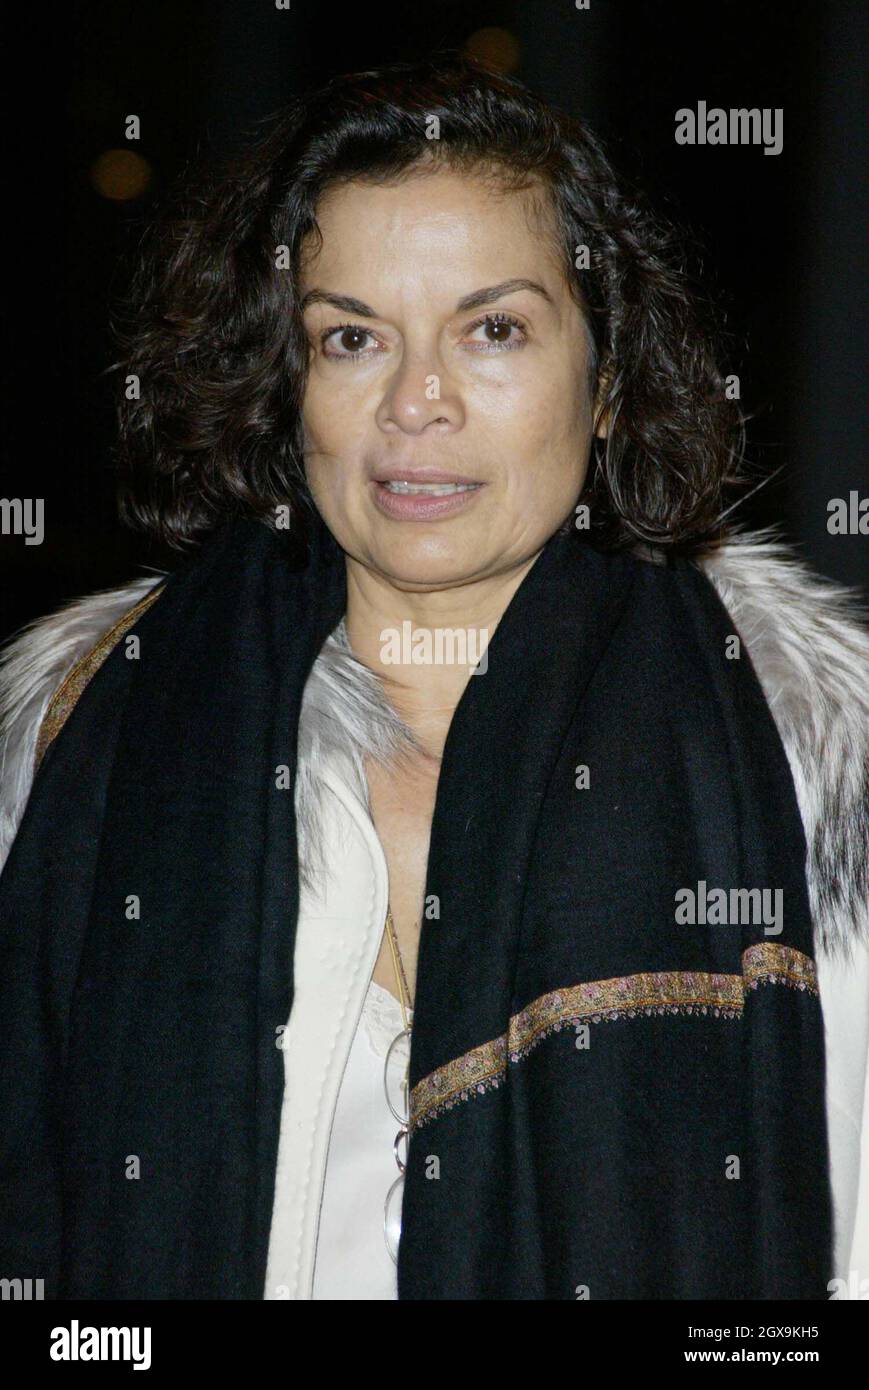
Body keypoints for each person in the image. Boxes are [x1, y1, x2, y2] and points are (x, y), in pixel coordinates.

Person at [0, 55, 867, 1301]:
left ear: (607, 380)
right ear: (287, 383)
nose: (418, 402)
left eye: (494, 329)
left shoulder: (805, 761)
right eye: (351, 338)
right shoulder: (84, 737)